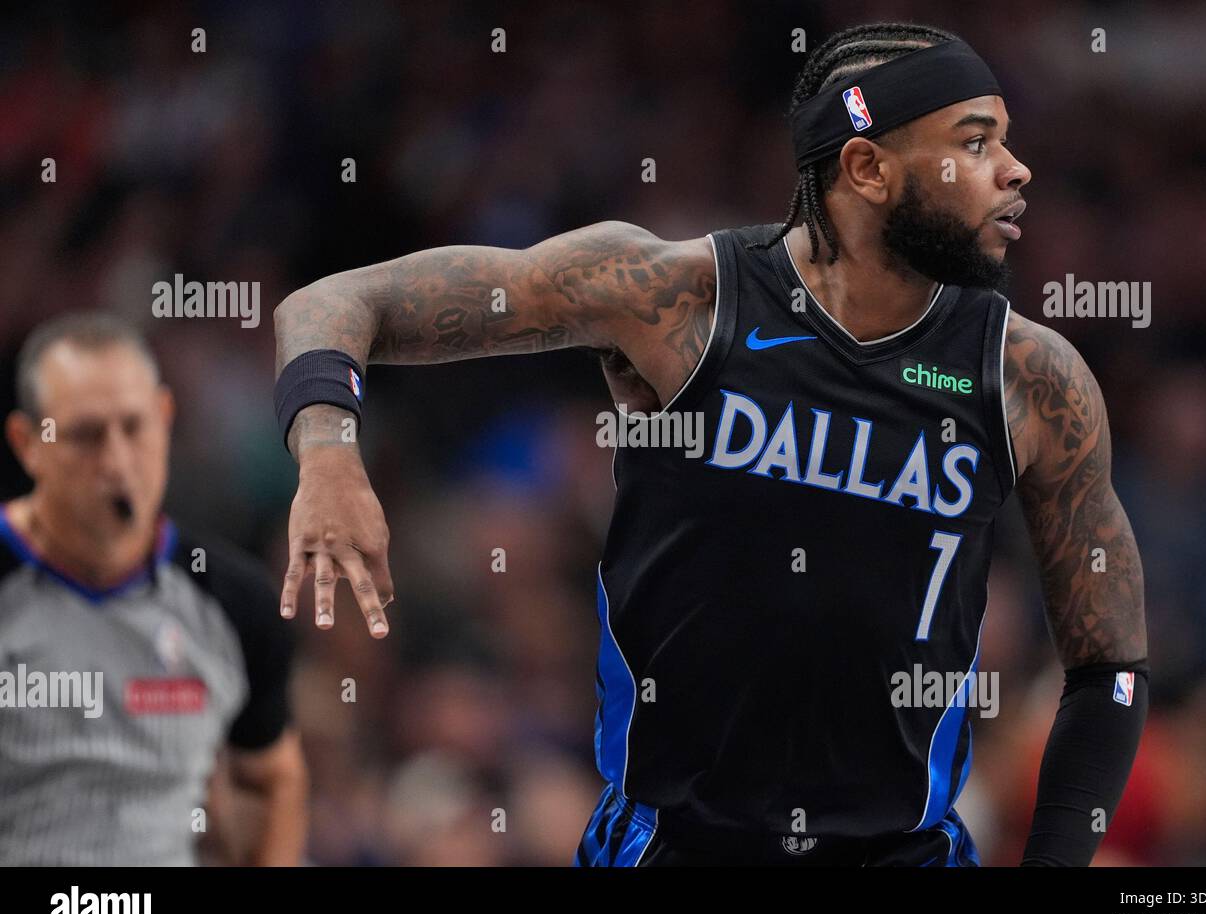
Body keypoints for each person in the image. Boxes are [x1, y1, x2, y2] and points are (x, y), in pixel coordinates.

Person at [272, 22, 1148, 866]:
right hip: (671, 845)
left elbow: (1108, 665)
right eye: (977, 140)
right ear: (868, 167)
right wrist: (329, 452)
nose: (1015, 168)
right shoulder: (679, 300)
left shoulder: (1031, 379)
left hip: (904, 852)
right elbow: (332, 304)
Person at [1, 312, 306, 865]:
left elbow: (270, 778)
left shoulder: (235, 603)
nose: (117, 463)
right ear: (27, 443)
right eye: (86, 435)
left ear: (165, 417)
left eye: (134, 427)